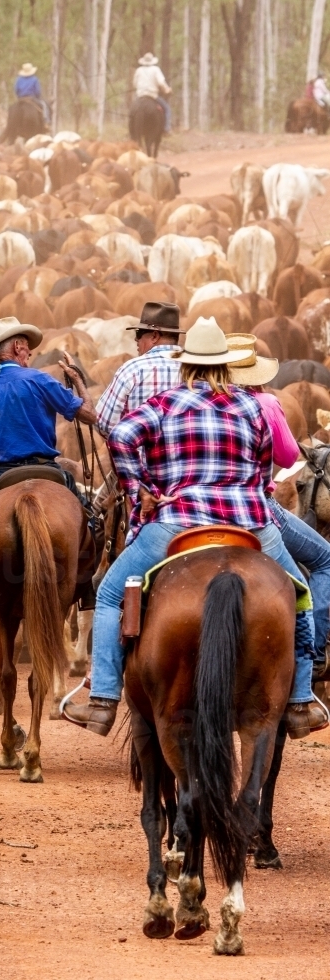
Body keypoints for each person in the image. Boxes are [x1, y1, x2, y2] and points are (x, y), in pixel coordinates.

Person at [62, 317, 327, 741]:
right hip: (251, 524)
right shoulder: (254, 405)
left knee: (112, 591)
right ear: (225, 367)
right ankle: (299, 702)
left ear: (187, 366)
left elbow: (120, 435)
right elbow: (271, 462)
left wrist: (141, 489)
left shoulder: (164, 404)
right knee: (298, 593)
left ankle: (104, 699)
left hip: (178, 521)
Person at [0, 316, 96, 633]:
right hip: (47, 470)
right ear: (19, 347)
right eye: (28, 347)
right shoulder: (41, 380)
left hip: (1, 476)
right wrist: (78, 381)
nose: (30, 353)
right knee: (87, 521)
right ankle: (85, 587)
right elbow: (89, 415)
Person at [227, 335, 330, 676]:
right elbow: (287, 457)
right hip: (256, 509)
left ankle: (105, 682)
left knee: (115, 588)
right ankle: (311, 663)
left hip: (186, 512)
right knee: (323, 561)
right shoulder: (266, 403)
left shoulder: (184, 401)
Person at [95, 301, 183, 438]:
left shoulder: (133, 369)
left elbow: (103, 424)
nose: (136, 340)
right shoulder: (197, 369)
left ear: (154, 336)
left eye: (139, 333)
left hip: (138, 458)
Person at [133, 52, 172, 134]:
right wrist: (167, 90)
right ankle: (166, 128)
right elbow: (161, 83)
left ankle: (132, 130)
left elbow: (134, 84)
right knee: (167, 108)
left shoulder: (138, 70)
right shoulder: (156, 69)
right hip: (152, 96)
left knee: (132, 111)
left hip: (140, 96)